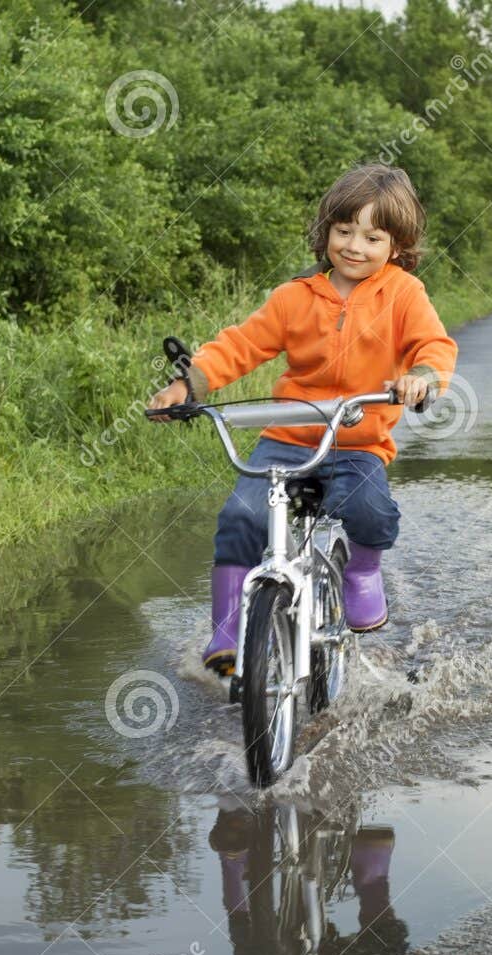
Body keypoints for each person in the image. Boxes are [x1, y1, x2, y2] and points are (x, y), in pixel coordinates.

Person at [147, 163, 458, 676]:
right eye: (344, 232)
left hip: (356, 441)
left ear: (396, 246)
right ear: (326, 233)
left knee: (371, 511)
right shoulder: (294, 297)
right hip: (286, 439)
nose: (355, 246)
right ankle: (227, 628)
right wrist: (190, 385)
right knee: (240, 518)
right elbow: (240, 346)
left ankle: (360, 572)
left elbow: (433, 345)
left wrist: (421, 376)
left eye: (372, 237)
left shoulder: (403, 295)